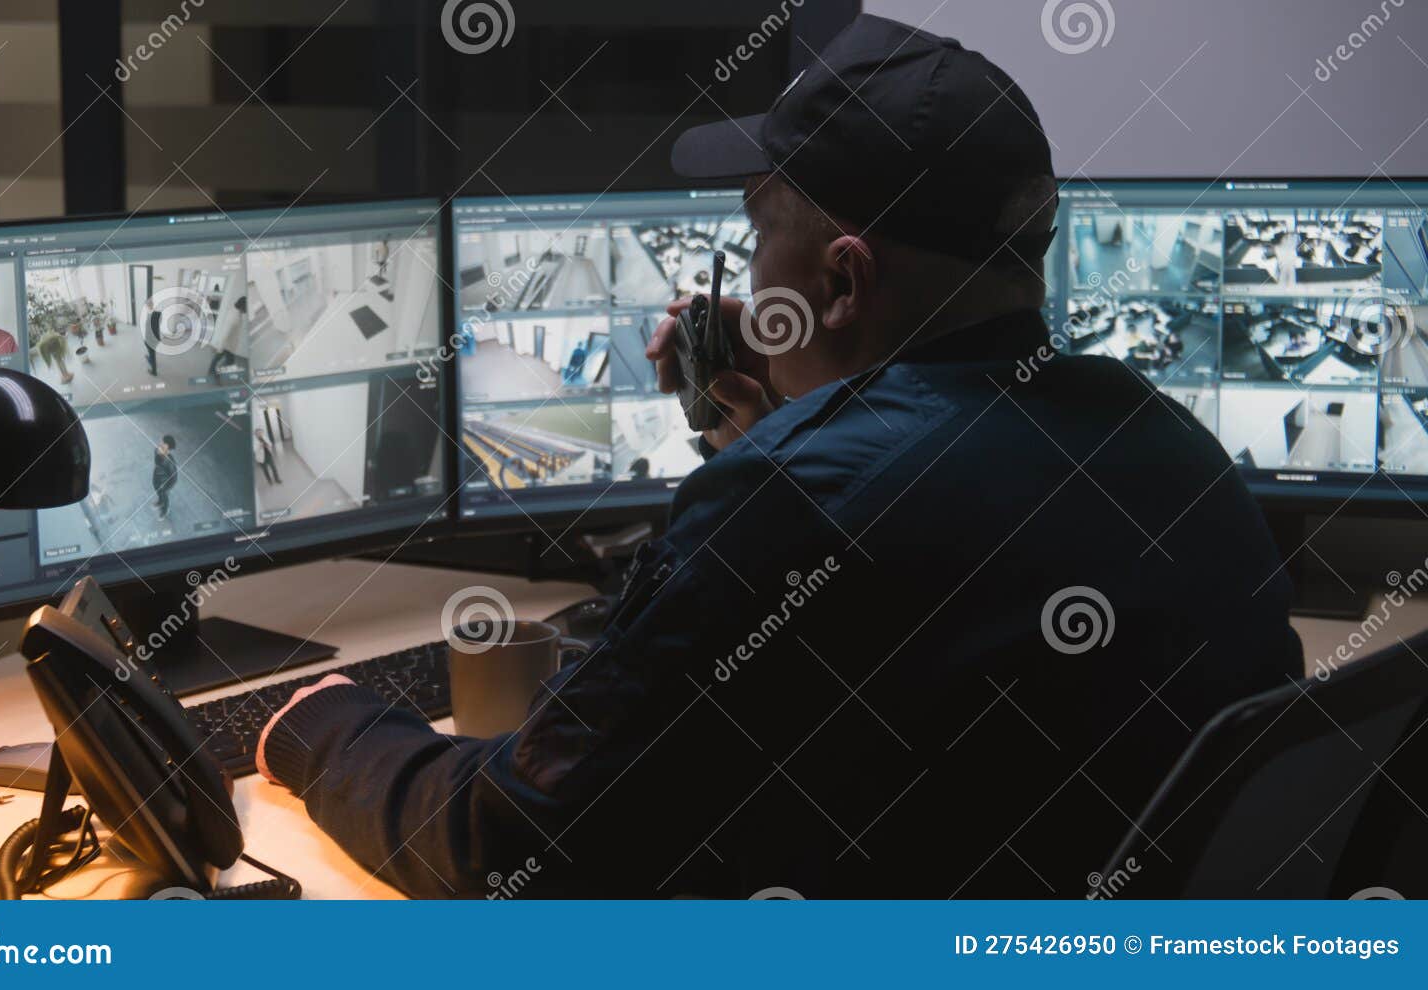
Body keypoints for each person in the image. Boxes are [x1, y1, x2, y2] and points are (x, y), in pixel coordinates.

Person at [254, 15, 1302, 898]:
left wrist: (332, 732)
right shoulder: (1167, 444)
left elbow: (523, 848)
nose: (750, 288)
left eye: (758, 240)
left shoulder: (801, 496)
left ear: (841, 285)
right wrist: (772, 437)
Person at [210, 296, 250, 384]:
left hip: (228, 343)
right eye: (247, 307)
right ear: (243, 306)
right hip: (228, 344)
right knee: (230, 362)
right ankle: (216, 373)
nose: (247, 310)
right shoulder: (234, 318)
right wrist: (220, 347)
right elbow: (226, 333)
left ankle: (211, 371)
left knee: (218, 357)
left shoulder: (234, 311)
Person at [152, 435, 178, 518]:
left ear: (168, 448)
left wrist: (167, 487)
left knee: (164, 495)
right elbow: (156, 461)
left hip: (165, 483)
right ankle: (160, 501)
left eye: (164, 444)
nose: (160, 445)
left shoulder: (170, 462)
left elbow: (174, 477)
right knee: (158, 491)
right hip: (157, 478)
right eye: (161, 442)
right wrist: (159, 454)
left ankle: (165, 509)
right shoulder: (156, 451)